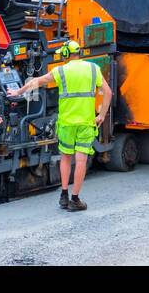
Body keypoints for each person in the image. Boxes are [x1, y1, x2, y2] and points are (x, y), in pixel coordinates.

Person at [7, 40, 111, 212]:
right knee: (81, 161)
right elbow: (108, 92)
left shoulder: (60, 71)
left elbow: (36, 82)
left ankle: (63, 194)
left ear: (65, 54)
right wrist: (101, 115)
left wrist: (17, 92)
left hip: (66, 123)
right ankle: (75, 200)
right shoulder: (93, 69)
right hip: (85, 122)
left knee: (65, 158)